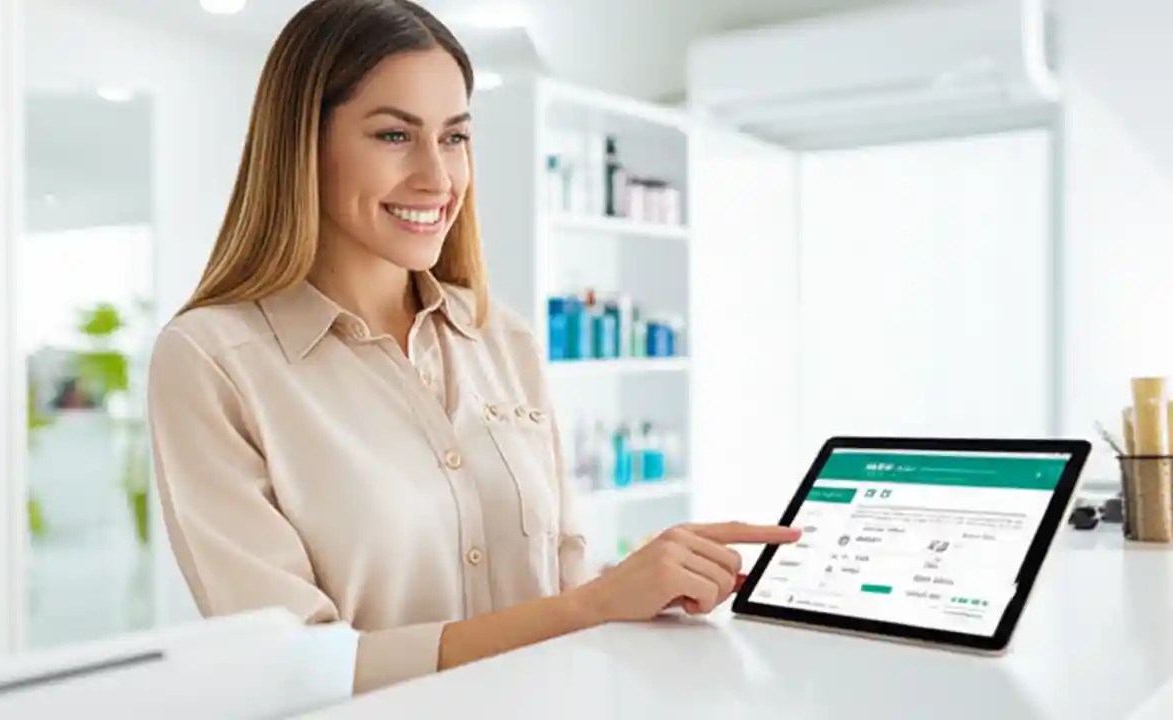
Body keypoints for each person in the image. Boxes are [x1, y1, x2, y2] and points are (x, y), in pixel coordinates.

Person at [147, 0, 801, 695]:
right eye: (395, 135)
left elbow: (567, 588)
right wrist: (587, 607)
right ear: (303, 142)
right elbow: (292, 668)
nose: (438, 177)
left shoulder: (502, 337)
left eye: (455, 138)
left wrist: (649, 588)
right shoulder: (212, 360)